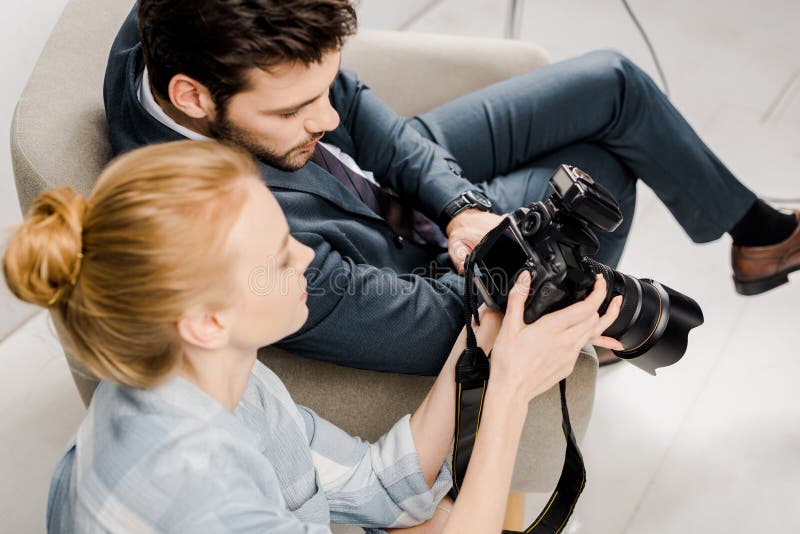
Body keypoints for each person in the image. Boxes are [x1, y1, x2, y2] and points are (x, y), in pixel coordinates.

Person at [104, 0, 799, 372]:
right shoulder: (243, 248)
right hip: (406, 265)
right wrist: (488, 247)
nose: (329, 116)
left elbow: (357, 113)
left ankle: (760, 235)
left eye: (322, 87)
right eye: (292, 109)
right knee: (600, 171)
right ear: (193, 98)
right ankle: (584, 334)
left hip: (386, 191)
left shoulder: (167, 35)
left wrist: (463, 204)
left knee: (612, 84)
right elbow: (426, 327)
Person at [3, 140, 622, 532]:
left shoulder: (214, 380)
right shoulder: (203, 501)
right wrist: (511, 389)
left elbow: (373, 485)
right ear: (205, 320)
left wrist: (480, 334)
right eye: (277, 259)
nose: (306, 256)